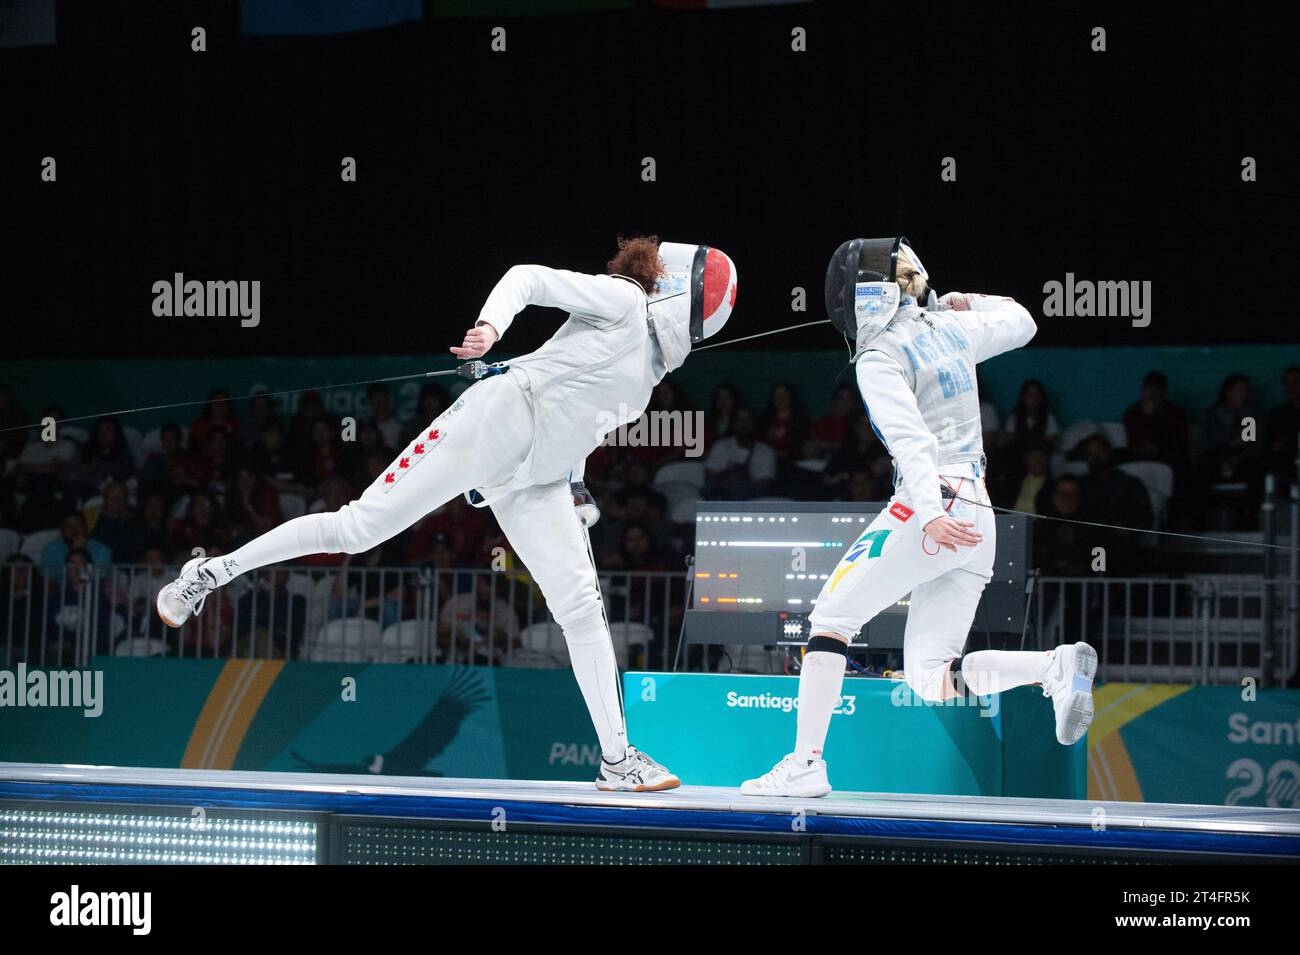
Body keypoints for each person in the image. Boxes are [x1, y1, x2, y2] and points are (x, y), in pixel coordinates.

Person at [157, 235, 739, 793]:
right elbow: (528, 277)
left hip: (532, 480)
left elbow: (579, 418)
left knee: (582, 608)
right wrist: (490, 327)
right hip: (494, 422)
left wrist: (577, 484)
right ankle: (209, 574)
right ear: (681, 291)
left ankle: (616, 761)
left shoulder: (646, 379)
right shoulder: (626, 301)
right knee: (358, 529)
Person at [742, 236, 1095, 798]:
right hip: (978, 511)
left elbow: (913, 443)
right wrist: (964, 301)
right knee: (931, 678)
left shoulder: (879, 357)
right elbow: (1024, 321)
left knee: (830, 618)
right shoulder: (952, 329)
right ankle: (1053, 666)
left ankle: (806, 764)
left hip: (935, 506)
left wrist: (927, 514)